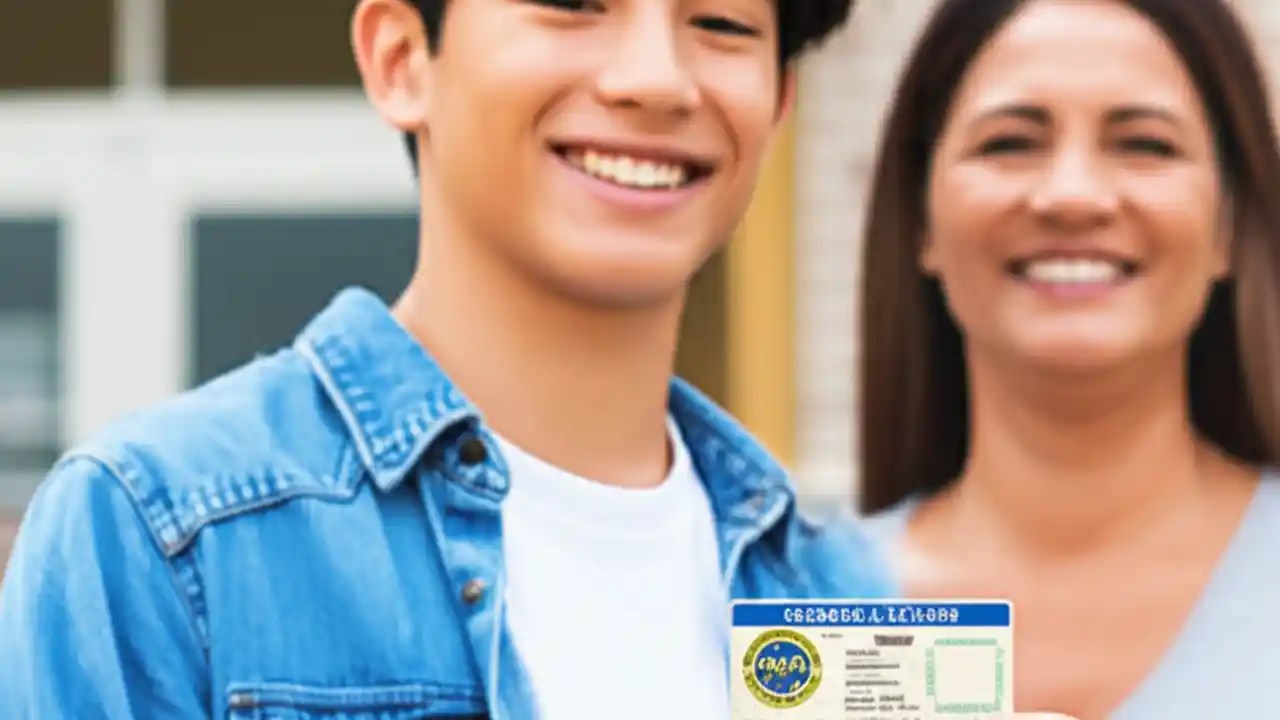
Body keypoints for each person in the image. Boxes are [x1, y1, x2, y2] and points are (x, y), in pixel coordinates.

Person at [0, 0, 893, 717]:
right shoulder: (158, 533)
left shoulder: (857, 601)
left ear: (779, 103)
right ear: (401, 58)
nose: (657, 79)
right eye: (576, 5)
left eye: (724, 25)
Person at [855, 0, 1280, 717]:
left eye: (1145, 145)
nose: (1071, 197)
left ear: (1229, 228)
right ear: (922, 219)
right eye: (1010, 143)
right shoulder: (804, 617)